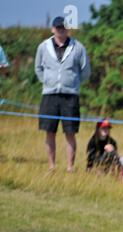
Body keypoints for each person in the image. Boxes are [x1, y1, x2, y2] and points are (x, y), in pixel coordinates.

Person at [35, 16, 91, 172]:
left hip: (70, 96)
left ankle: (70, 167)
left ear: (68, 29)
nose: (61, 30)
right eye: (58, 27)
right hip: (49, 95)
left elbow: (85, 70)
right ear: (53, 29)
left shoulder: (78, 47)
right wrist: (47, 82)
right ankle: (51, 166)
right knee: (49, 132)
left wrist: (74, 83)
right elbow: (38, 68)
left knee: (70, 132)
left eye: (64, 27)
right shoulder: (43, 47)